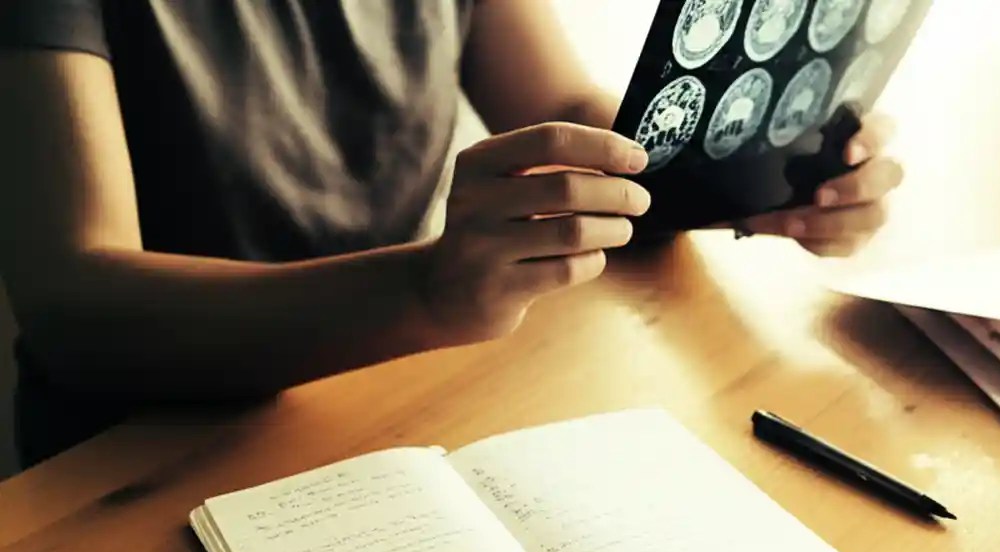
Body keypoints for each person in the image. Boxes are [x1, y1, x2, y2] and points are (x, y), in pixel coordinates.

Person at [0, 1, 905, 469]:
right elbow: (75, 305)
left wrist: (750, 169)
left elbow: (558, 108)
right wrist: (422, 294)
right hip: (133, 452)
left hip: (385, 400)